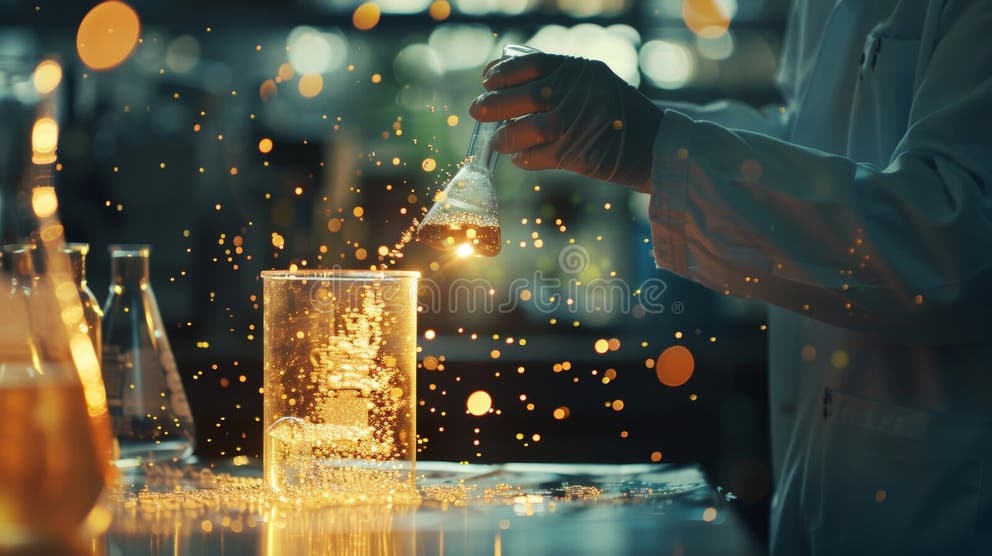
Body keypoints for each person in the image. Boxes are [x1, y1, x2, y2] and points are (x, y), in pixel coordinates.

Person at [469, 1, 992, 554]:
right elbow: (808, 141)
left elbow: (958, 243)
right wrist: (645, 125)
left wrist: (659, 147)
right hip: (835, 472)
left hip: (951, 505)